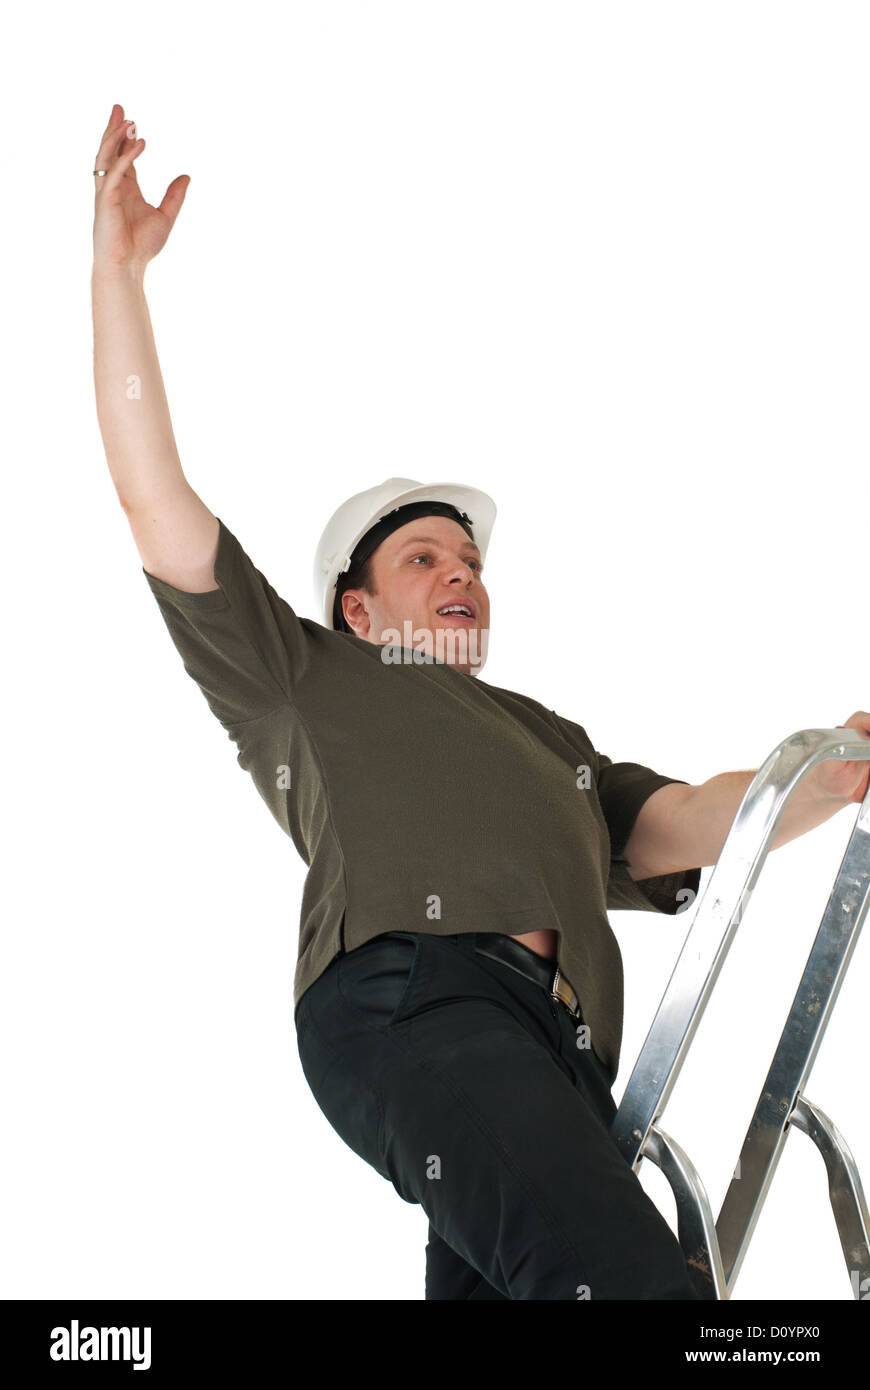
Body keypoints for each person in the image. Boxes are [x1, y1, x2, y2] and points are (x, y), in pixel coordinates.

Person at [88, 104, 710, 1300]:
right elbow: (153, 497)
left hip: (557, 1059)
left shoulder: (551, 744)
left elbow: (687, 819)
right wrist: (119, 277)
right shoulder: (304, 676)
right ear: (358, 612)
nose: (461, 571)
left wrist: (829, 770)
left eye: (468, 560)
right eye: (423, 557)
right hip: (421, 1003)